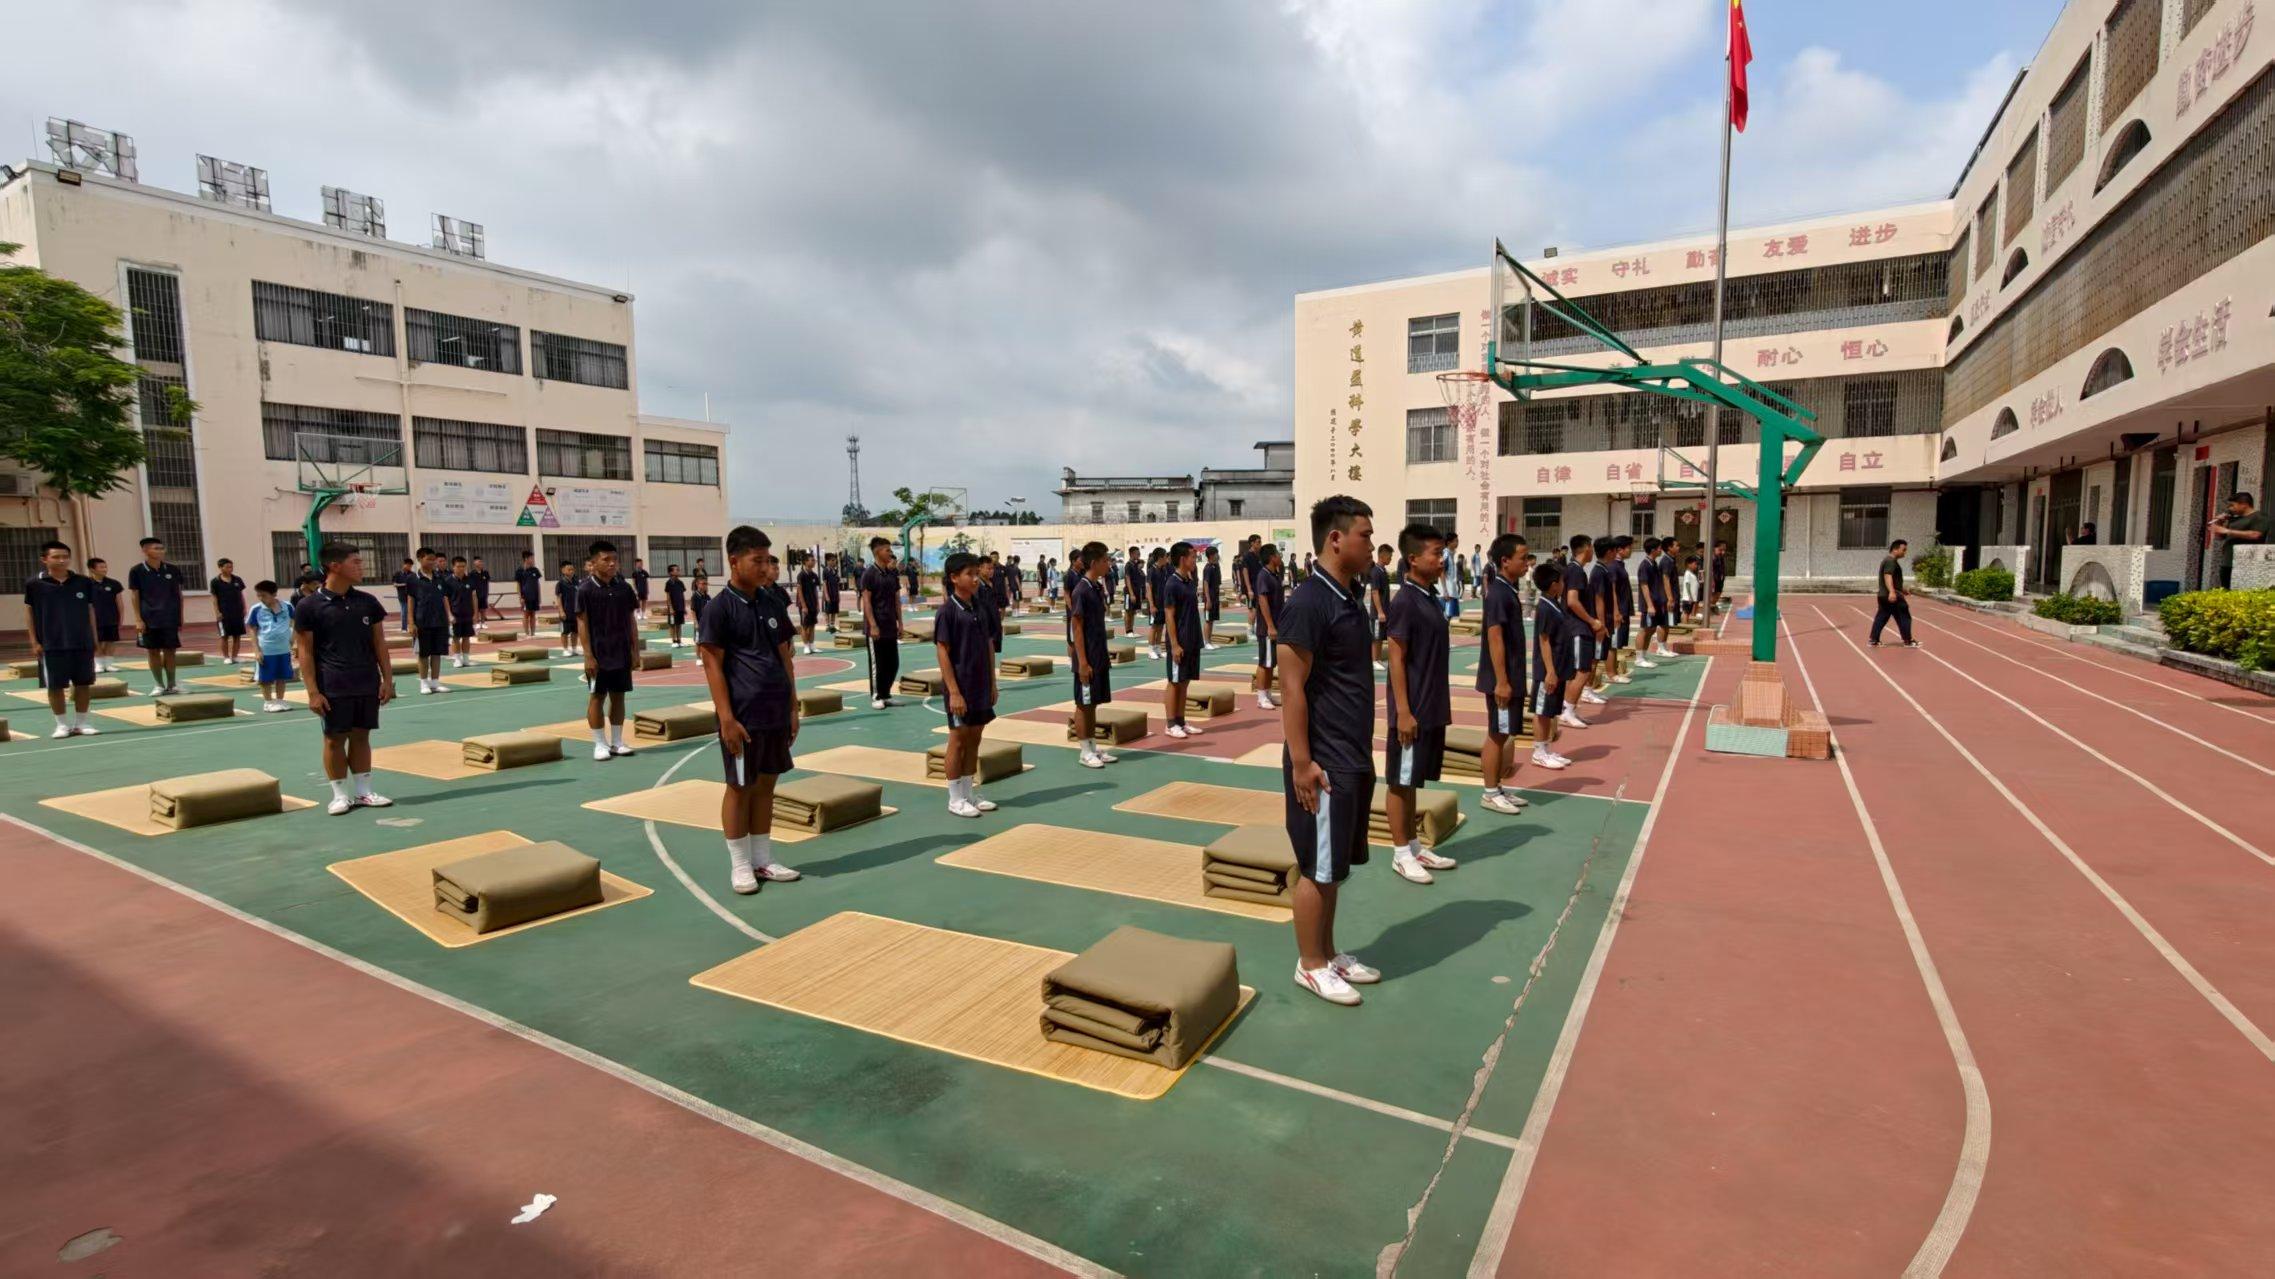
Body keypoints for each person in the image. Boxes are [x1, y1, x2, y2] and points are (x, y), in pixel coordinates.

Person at [1277, 495, 1383, 1007]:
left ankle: (1329, 952)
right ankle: (1310, 965)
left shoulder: (1348, 595)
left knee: (1333, 866)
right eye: (1366, 535)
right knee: (1317, 870)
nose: (1372, 545)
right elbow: (1291, 687)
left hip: (1352, 751)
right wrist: (1302, 763)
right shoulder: (1308, 602)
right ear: (1336, 539)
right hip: (1323, 759)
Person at [697, 524, 803, 894]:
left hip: (775, 710)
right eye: (756, 561)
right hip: (742, 715)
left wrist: (792, 706)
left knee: (767, 783)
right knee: (740, 787)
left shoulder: (771, 601)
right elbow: (712, 664)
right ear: (734, 561)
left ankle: (763, 859)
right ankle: (740, 865)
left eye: (767, 560)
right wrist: (726, 718)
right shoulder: (719, 608)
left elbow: (785, 657)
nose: (764, 568)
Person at [294, 541, 395, 816]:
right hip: (332, 684)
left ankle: (364, 792)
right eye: (356, 562)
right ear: (335, 566)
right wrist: (313, 692)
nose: (362, 566)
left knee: (362, 736)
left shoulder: (367, 602)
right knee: (334, 739)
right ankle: (339, 796)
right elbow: (304, 652)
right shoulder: (309, 606)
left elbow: (380, 643)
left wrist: (387, 680)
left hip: (366, 680)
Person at [1383, 524, 1458, 885]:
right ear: (1413, 559)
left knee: (1412, 780)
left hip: (1429, 706)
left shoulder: (1428, 595)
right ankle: (1400, 854)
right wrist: (1403, 712)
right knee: (1400, 782)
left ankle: (1413, 846)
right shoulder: (1405, 601)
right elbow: (1396, 659)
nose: (1442, 559)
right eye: (1436, 553)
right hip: (1410, 710)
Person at [934, 552, 1000, 819]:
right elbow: (943, 652)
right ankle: (954, 798)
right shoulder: (947, 611)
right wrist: (954, 692)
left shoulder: (979, 607)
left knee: (975, 738)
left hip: (980, 685)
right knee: (958, 740)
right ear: (954, 578)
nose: (975, 579)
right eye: (969, 574)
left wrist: (993, 682)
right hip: (960, 688)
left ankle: (968, 793)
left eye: (976, 573)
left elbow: (989, 645)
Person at [1475, 533, 1533, 813]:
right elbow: (1494, 636)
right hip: (1501, 679)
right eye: (1522, 558)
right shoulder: (1498, 593)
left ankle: (1497, 787)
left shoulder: (1507, 590)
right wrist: (1501, 681)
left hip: (1510, 676)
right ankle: (1489, 792)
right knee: (1497, 734)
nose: (1527, 563)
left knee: (1503, 733)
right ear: (1505, 560)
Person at [25, 540, 99, 737]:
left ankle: (81, 723)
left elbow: (90, 610)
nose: (62, 560)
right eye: (56, 557)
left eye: (65, 557)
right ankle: (61, 725)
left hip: (81, 642)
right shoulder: (35, 584)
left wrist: (94, 637)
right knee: (55, 686)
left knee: (83, 684)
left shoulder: (83, 582)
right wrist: (34, 641)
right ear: (44, 559)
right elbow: (29, 613)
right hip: (51, 644)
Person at [579, 539, 642, 759]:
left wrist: (635, 651)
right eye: (606, 559)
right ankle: (599, 744)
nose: (612, 563)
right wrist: (588, 655)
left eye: (615, 559)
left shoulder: (624, 588)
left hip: (621, 652)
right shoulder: (585, 589)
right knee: (597, 697)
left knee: (619, 696)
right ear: (594, 562)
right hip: (598, 654)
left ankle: (617, 741)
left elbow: (631, 621)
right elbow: (582, 623)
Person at [1068, 541, 1117, 769]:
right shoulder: (1082, 590)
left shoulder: (1096, 587)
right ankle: (1084, 751)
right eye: (1106, 560)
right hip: (1086, 658)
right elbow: (1076, 627)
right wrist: (1082, 662)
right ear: (1095, 562)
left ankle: (1093, 746)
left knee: (1093, 703)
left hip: (1099, 654)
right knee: (1083, 704)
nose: (1109, 564)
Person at [1529, 562, 1576, 771]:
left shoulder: (1554, 603)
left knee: (1550, 711)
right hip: (1548, 671)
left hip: (1558, 669)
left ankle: (1546, 749)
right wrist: (1549, 671)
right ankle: (1539, 753)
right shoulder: (1545, 607)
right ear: (1554, 584)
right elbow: (1544, 640)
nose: (1564, 584)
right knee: (1542, 711)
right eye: (1562, 581)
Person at [127, 537, 188, 696]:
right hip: (149, 618)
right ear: (145, 550)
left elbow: (179, 594)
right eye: (156, 548)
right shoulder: (137, 571)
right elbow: (134, 595)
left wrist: (180, 615)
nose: (161, 551)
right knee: (153, 651)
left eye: (162, 548)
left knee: (170, 651)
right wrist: (138, 619)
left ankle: (172, 684)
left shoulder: (173, 569)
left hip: (169, 617)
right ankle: (159, 685)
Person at [1560, 535, 1605, 730]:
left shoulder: (1575, 570)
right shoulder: (1576, 571)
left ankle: (1570, 709)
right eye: (1592, 547)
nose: (1593, 551)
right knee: (1582, 671)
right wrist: (1592, 621)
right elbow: (1572, 601)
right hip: (1577, 628)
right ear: (1586, 548)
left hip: (1577, 627)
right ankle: (1567, 711)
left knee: (1580, 671)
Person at [1162, 541, 1205, 738]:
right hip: (1179, 640)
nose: (1195, 560)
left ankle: (1181, 720)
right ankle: (1170, 723)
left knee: (1185, 681)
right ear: (1182, 559)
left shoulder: (1189, 580)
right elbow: (1169, 615)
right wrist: (1174, 644)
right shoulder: (1172, 583)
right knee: (1175, 681)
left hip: (1192, 638)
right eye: (1192, 557)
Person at [861, 536, 905, 710]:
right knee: (877, 664)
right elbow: (866, 601)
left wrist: (900, 623)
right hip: (876, 627)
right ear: (877, 552)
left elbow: (896, 600)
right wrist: (872, 625)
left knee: (893, 663)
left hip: (890, 626)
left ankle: (886, 694)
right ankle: (876, 696)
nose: (890, 553)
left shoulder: (892, 574)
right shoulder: (869, 574)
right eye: (887, 550)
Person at [248, 580, 296, 712]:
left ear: (274, 594)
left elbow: (296, 621)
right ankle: (268, 702)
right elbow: (252, 629)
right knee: (266, 678)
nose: (261, 598)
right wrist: (257, 650)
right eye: (258, 595)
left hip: (284, 649)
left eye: (264, 595)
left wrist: (293, 639)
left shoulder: (287, 606)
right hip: (266, 650)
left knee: (282, 677)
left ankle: (280, 700)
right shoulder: (256, 609)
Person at [408, 547, 451, 695]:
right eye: (429, 559)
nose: (432, 562)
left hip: (439, 621)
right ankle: (423, 683)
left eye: (434, 560)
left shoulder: (440, 578)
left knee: (437, 653)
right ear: (420, 559)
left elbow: (444, 598)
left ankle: (435, 682)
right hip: (422, 622)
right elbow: (410, 601)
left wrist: (449, 617)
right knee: (423, 654)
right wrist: (411, 622)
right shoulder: (413, 579)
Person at [2210, 492, 2270, 589]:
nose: (2230, 508)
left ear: (2244, 504)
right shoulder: (2234, 519)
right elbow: (2221, 537)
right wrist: (2220, 523)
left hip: (2246, 562)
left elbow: (2256, 535)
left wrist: (2227, 530)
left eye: (2232, 505)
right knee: (2226, 590)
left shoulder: (2259, 516)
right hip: (2228, 561)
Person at [1253, 543, 1285, 709]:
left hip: (1278, 625)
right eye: (1278, 553)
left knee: (1271, 662)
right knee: (1265, 662)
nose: (1280, 556)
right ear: (1272, 557)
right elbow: (1262, 601)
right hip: (1267, 628)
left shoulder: (1275, 574)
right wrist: (1270, 626)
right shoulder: (1263, 576)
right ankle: (1261, 697)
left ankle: (1268, 694)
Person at [1869, 539, 1918, 648]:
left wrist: (1902, 589)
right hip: (1891, 595)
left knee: (1882, 616)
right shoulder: (1890, 561)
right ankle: (1908, 640)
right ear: (1895, 549)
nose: (1905, 552)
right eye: (1903, 550)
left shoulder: (1889, 560)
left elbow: (1892, 579)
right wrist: (1892, 592)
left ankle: (1873, 640)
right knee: (1904, 616)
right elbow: (1888, 576)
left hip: (1884, 594)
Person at [1632, 537, 1666, 669]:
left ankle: (1644, 656)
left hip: (1656, 602)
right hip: (1648, 604)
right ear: (1653, 550)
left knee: (1651, 629)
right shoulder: (1645, 565)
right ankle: (1639, 658)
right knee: (1644, 629)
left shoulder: (1654, 563)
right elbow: (1644, 585)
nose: (1661, 550)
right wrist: (1650, 605)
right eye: (1659, 548)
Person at [1606, 536, 1635, 685]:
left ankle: (1614, 671)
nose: (1631, 551)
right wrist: (1616, 611)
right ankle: (1611, 674)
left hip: (1623, 609)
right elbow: (1612, 590)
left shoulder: (1620, 565)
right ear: (1619, 549)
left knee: (1618, 643)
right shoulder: (1613, 566)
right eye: (1629, 548)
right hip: (1617, 611)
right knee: (1613, 643)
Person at [87, 557, 124, 673]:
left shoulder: (114, 584)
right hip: (94, 619)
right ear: (92, 569)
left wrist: (121, 618)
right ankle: (98, 664)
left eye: (105, 567)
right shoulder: (86, 584)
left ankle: (108, 664)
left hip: (111, 617)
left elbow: (120, 603)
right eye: (101, 567)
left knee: (110, 641)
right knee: (96, 641)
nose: (104, 569)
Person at [210, 558, 249, 665]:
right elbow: (214, 598)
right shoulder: (215, 581)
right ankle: (226, 657)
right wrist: (217, 612)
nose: (230, 569)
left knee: (237, 635)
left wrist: (244, 608)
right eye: (227, 567)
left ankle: (235, 656)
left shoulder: (237, 580)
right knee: (224, 636)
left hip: (237, 612)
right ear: (220, 567)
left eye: (231, 567)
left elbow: (241, 595)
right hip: (224, 613)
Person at [446, 555, 477, 668]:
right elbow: (445, 599)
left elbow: (474, 597)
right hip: (455, 614)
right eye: (458, 566)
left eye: (463, 566)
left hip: (467, 613)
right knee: (456, 638)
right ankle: (457, 659)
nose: (461, 569)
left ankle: (466, 659)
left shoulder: (470, 580)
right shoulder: (448, 581)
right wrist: (449, 615)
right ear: (453, 567)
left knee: (467, 637)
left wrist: (475, 613)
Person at [1367, 543, 1394, 670]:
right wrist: (1380, 612)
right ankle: (1374, 660)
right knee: (1376, 637)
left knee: (1381, 636)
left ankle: (1378, 659)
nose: (1390, 559)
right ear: (1382, 556)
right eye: (1389, 557)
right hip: (1377, 613)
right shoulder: (1376, 572)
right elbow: (1375, 592)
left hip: (1384, 611)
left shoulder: (1383, 571)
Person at [792, 550, 821, 655]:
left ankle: (812, 645)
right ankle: (806, 646)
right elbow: (799, 591)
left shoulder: (814, 575)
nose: (814, 562)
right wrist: (804, 606)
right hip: (804, 605)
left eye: (814, 560)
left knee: (812, 625)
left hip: (813, 604)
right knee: (805, 626)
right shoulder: (801, 575)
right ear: (805, 562)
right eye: (812, 560)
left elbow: (815, 591)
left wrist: (817, 604)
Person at [976, 555, 1005, 655]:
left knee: (991, 652)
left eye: (992, 568)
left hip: (994, 624)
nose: (991, 571)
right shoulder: (977, 586)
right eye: (988, 568)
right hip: (984, 626)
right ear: (979, 568)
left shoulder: (992, 583)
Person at [1145, 547, 1170, 659]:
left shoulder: (1163, 570)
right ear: (1160, 558)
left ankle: (1158, 649)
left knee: (1160, 626)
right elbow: (1148, 588)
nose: (1167, 559)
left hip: (1162, 603)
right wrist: (1151, 605)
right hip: (1154, 604)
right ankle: (1150, 650)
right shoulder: (1152, 570)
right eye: (1165, 556)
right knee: (1154, 627)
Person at [555, 559, 583, 657]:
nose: (571, 571)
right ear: (563, 570)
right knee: (565, 632)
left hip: (575, 611)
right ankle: (565, 649)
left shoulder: (577, 581)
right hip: (565, 612)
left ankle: (574, 649)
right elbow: (558, 598)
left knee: (575, 632)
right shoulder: (560, 583)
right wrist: (561, 611)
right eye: (569, 569)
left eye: (572, 569)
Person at [660, 562, 690, 647]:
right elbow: (668, 597)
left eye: (678, 569)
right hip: (673, 608)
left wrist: (684, 607)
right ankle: (674, 641)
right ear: (671, 572)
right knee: (672, 625)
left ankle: (679, 641)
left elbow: (682, 595)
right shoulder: (668, 583)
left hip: (680, 607)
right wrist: (671, 608)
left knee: (679, 624)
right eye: (676, 570)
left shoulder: (680, 582)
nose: (678, 571)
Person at [514, 551, 544, 636]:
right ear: (526, 559)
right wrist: (520, 597)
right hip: (525, 597)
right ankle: (526, 633)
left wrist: (539, 597)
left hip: (534, 596)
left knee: (533, 614)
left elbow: (538, 584)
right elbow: (518, 585)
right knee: (526, 614)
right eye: (531, 558)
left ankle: (533, 633)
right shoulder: (520, 571)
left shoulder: (535, 570)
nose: (533, 560)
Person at [1201, 545, 1223, 651]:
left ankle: (1210, 641)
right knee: (1208, 620)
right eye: (1216, 554)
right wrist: (1208, 599)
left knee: (1212, 620)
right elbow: (1205, 583)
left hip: (1215, 597)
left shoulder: (1216, 566)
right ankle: (1206, 642)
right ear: (1211, 556)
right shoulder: (1208, 568)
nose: (1218, 556)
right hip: (1209, 598)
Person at [468, 555, 496, 629]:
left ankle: (483, 623)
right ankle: (476, 623)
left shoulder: (485, 573)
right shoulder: (471, 574)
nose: (481, 563)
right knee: (476, 609)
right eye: (479, 561)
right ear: (475, 563)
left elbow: (487, 583)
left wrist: (487, 593)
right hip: (475, 595)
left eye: (481, 562)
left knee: (483, 609)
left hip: (483, 593)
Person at [390, 557, 417, 632]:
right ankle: (404, 628)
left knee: (413, 612)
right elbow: (394, 584)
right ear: (404, 564)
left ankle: (413, 626)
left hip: (412, 596)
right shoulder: (397, 574)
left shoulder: (413, 574)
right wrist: (404, 584)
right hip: (402, 596)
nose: (409, 567)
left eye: (411, 566)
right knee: (404, 612)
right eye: (408, 565)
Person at [821, 551, 844, 634]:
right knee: (827, 610)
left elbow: (837, 584)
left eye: (835, 560)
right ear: (828, 561)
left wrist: (838, 594)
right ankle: (827, 626)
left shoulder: (835, 571)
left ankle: (832, 625)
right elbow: (824, 583)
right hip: (828, 593)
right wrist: (826, 595)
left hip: (835, 594)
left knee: (834, 610)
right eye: (832, 560)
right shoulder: (825, 571)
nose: (834, 562)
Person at [1681, 554, 1704, 624]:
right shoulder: (1687, 573)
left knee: (1688, 613)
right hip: (1687, 598)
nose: (1696, 566)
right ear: (1689, 564)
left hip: (1691, 598)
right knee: (1686, 613)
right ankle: (1684, 624)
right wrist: (1690, 596)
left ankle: (1686, 623)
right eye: (1695, 564)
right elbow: (1687, 584)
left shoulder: (1692, 573)